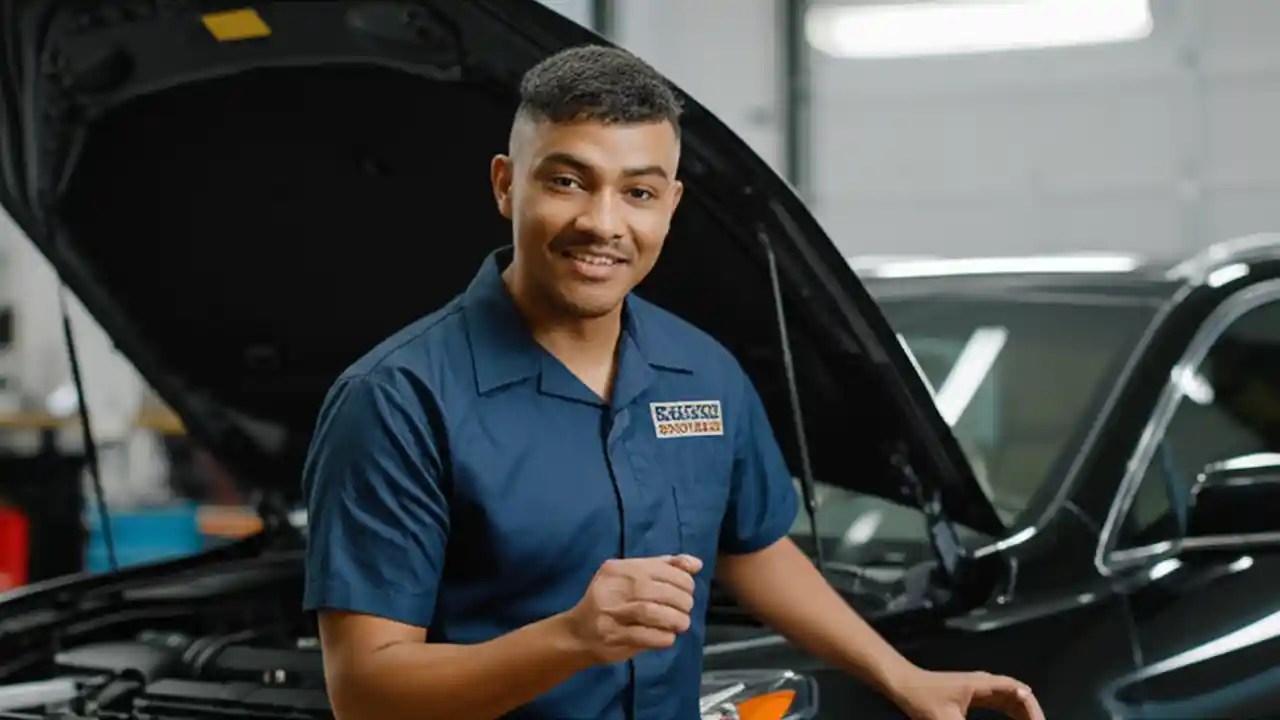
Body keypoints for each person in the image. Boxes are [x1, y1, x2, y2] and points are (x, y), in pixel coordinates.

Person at [301, 44, 1044, 720]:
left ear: (672, 206)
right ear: (506, 185)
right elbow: (367, 694)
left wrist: (901, 674)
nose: (603, 222)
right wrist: (570, 639)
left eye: (639, 192)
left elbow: (749, 545)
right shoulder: (397, 400)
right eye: (567, 181)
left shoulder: (703, 371)